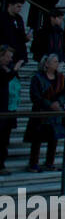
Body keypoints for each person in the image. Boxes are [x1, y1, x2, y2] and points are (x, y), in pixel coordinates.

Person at [25, 54, 65, 172]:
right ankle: (33, 163)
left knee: (53, 138)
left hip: (55, 114)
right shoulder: (38, 78)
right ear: (47, 64)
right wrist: (49, 104)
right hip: (41, 112)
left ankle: (50, 162)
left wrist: (59, 102)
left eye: (57, 61)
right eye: (54, 61)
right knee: (37, 139)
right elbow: (35, 96)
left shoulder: (61, 78)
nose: (57, 64)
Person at [0, 45, 19, 175]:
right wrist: (14, 70)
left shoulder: (7, 69)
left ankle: (1, 163)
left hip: (8, 108)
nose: (10, 59)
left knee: (4, 139)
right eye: (7, 56)